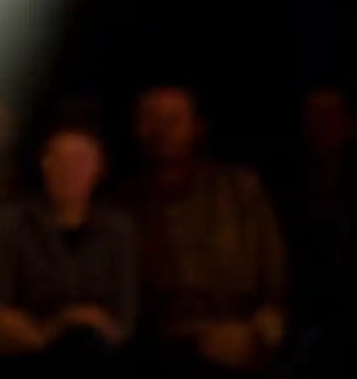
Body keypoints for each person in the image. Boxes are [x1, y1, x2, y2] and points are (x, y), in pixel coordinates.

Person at [116, 86, 287, 377]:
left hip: (243, 342)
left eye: (173, 120)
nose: (162, 131)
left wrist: (259, 331)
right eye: (152, 119)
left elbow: (277, 284)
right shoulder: (120, 205)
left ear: (197, 127)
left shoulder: (241, 190)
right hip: (159, 353)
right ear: (137, 128)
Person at [0, 120, 137, 377]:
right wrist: (61, 325)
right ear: (44, 164)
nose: (69, 170)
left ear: (99, 167)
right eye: (59, 159)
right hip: (27, 360)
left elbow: (123, 321)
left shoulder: (118, 229)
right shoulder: (9, 224)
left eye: (81, 160)